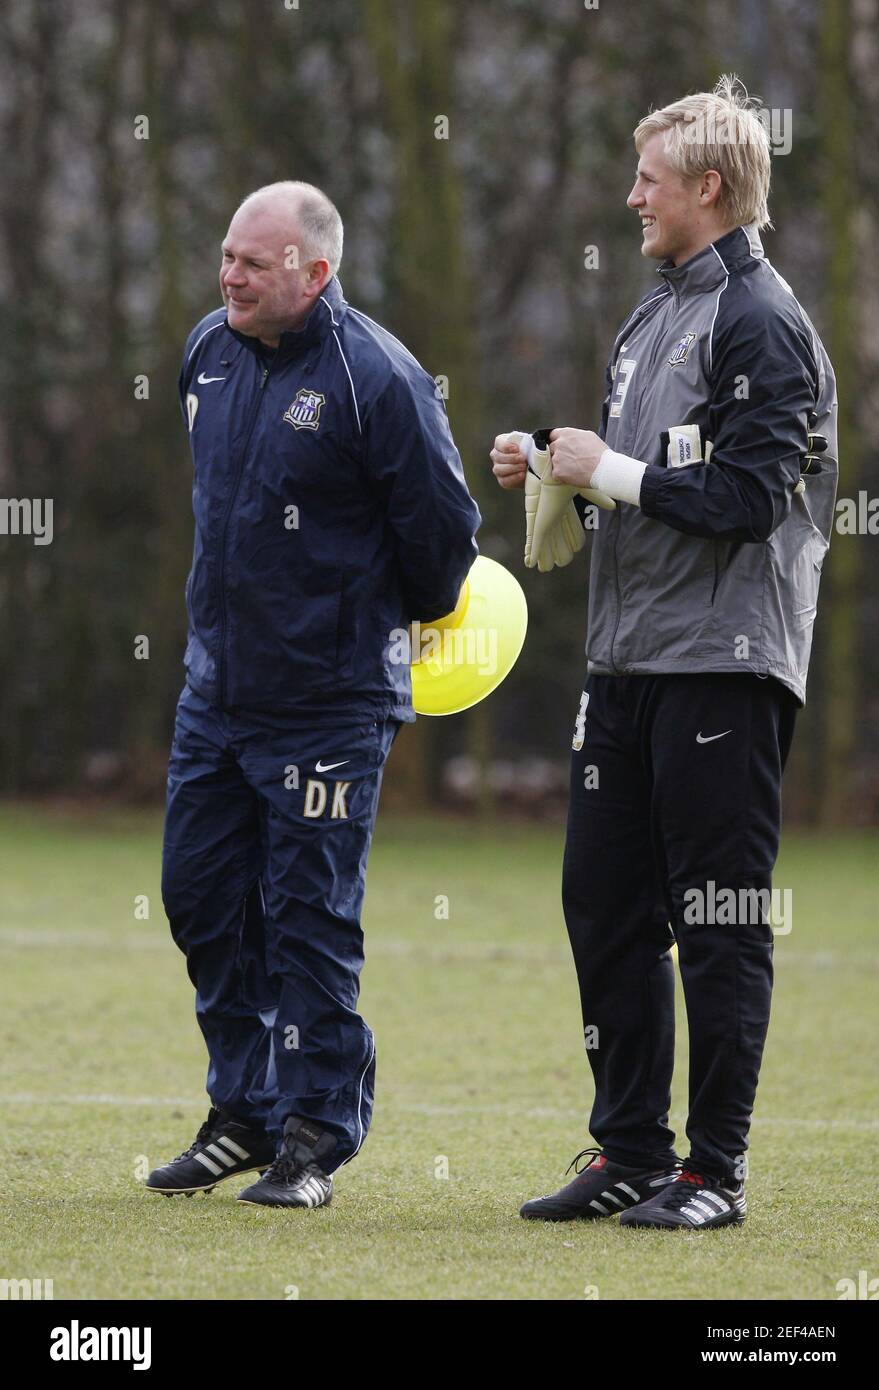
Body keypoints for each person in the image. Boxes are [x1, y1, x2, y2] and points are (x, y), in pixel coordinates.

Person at [491, 76, 837, 1230]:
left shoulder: (764, 320)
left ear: (708, 186)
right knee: (601, 901)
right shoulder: (650, 314)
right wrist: (553, 468)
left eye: (648, 177)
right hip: (626, 664)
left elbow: (742, 498)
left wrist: (610, 474)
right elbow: (640, 486)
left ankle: (715, 1173)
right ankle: (630, 1151)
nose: (630, 194)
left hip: (725, 661)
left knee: (720, 919)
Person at [149, 181, 480, 1209]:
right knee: (199, 897)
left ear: (316, 272)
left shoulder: (376, 377)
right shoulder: (208, 348)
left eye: (255, 262)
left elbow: (445, 537)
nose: (230, 275)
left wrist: (364, 627)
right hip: (218, 694)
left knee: (307, 919)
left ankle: (313, 1132)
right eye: (227, 256)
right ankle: (242, 1110)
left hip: (329, 706)